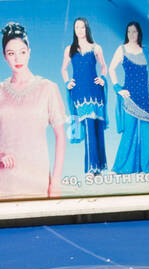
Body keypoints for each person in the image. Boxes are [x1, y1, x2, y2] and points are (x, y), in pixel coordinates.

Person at [0, 21, 66, 200]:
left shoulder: (48, 88)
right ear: (4, 56)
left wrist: (56, 181)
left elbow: (60, 136)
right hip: (5, 179)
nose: (17, 59)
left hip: (38, 181)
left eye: (22, 52)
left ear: (29, 53)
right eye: (11, 53)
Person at [108, 22, 149, 175]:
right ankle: (119, 168)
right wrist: (118, 88)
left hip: (145, 98)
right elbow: (111, 69)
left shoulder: (146, 51)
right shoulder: (122, 50)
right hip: (129, 98)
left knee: (147, 134)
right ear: (126, 33)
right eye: (129, 31)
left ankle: (148, 168)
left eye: (134, 32)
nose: (132, 34)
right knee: (129, 132)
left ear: (139, 33)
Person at [61, 17, 107, 175]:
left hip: (95, 92)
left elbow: (104, 67)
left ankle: (99, 168)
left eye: (82, 27)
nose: (79, 30)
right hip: (80, 93)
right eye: (76, 28)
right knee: (87, 127)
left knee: (96, 128)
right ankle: (90, 169)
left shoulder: (96, 48)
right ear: (74, 30)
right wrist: (67, 82)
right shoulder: (70, 49)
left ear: (87, 28)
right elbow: (63, 69)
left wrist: (103, 79)